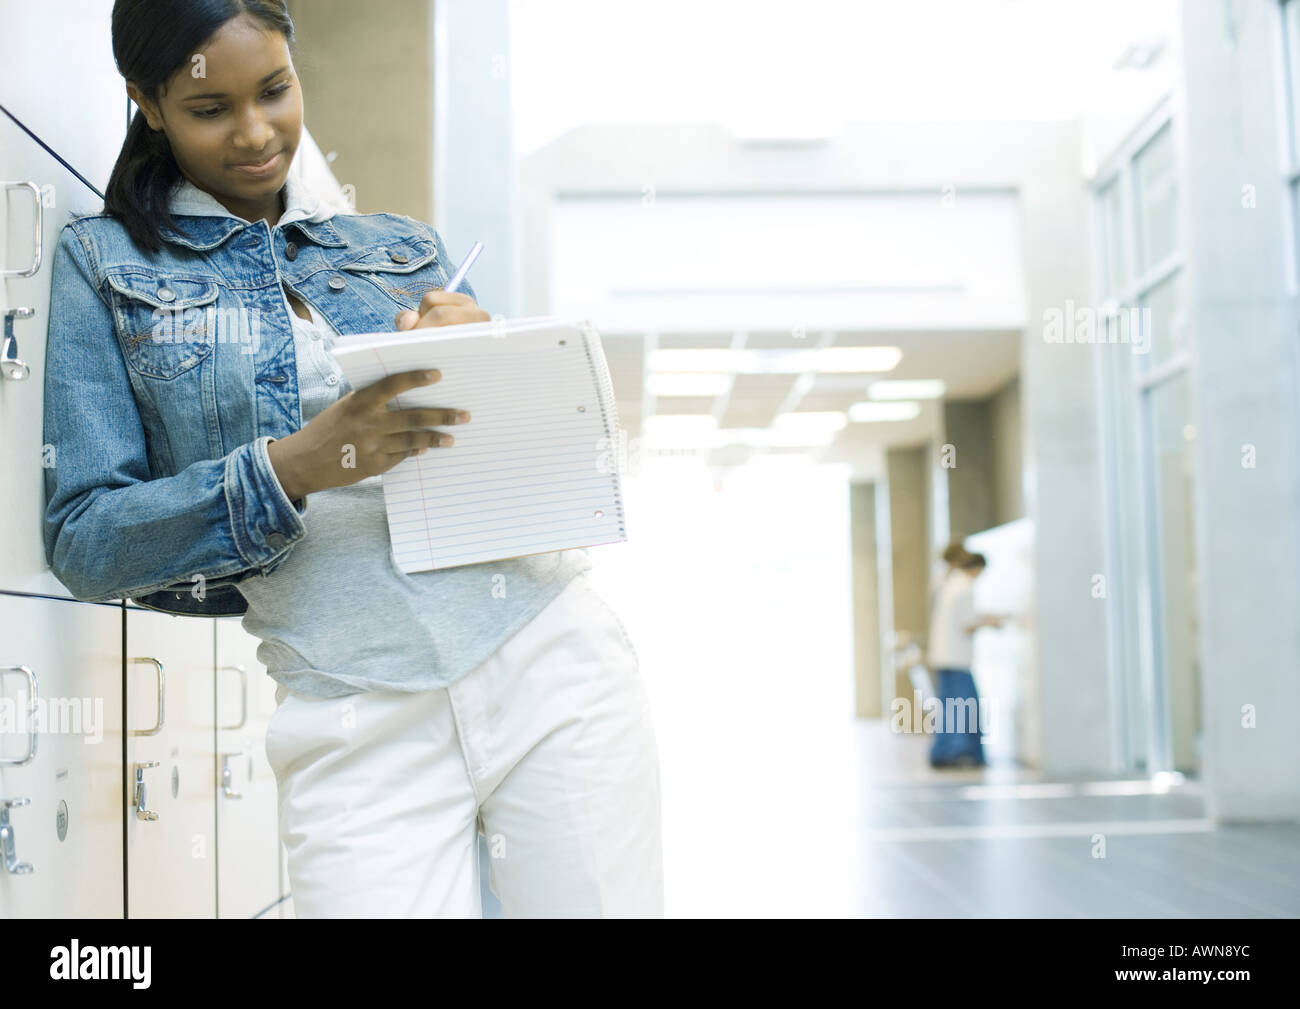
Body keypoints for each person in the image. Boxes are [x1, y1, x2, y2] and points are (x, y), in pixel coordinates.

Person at [42, 0, 662, 917]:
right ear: (148, 104)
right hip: (352, 707)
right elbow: (87, 537)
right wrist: (297, 465)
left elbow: (502, 459)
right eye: (213, 110)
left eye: (276, 91)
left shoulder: (401, 247)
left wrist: (485, 351)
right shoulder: (103, 264)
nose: (256, 134)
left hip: (549, 657)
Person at [926, 549, 1002, 768]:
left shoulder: (951, 584)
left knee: (955, 707)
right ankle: (954, 753)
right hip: (956, 659)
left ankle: (949, 753)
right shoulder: (965, 587)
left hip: (945, 657)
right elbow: (967, 624)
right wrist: (992, 623)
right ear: (977, 569)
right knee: (963, 707)